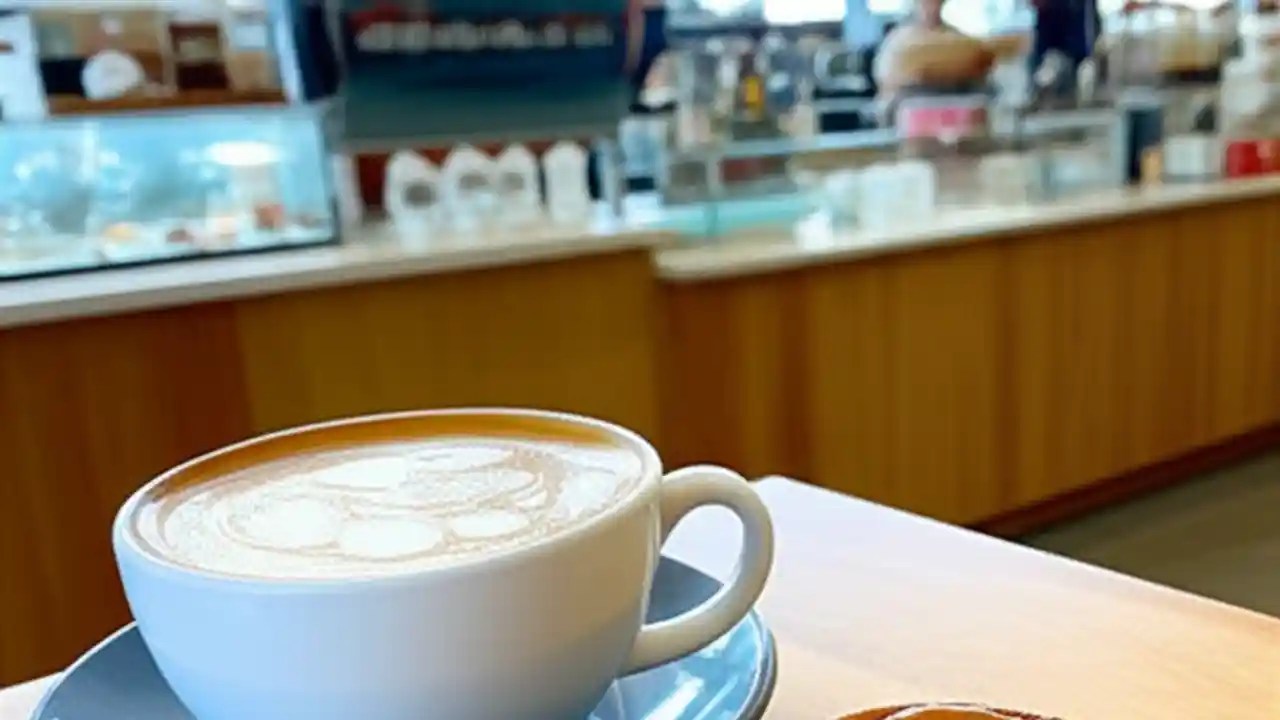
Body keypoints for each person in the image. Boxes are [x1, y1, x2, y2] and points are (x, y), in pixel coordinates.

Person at [872, 0, 995, 105]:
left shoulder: (959, 40)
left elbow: (980, 65)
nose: (932, 5)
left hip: (955, 105)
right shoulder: (898, 42)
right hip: (909, 107)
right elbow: (887, 79)